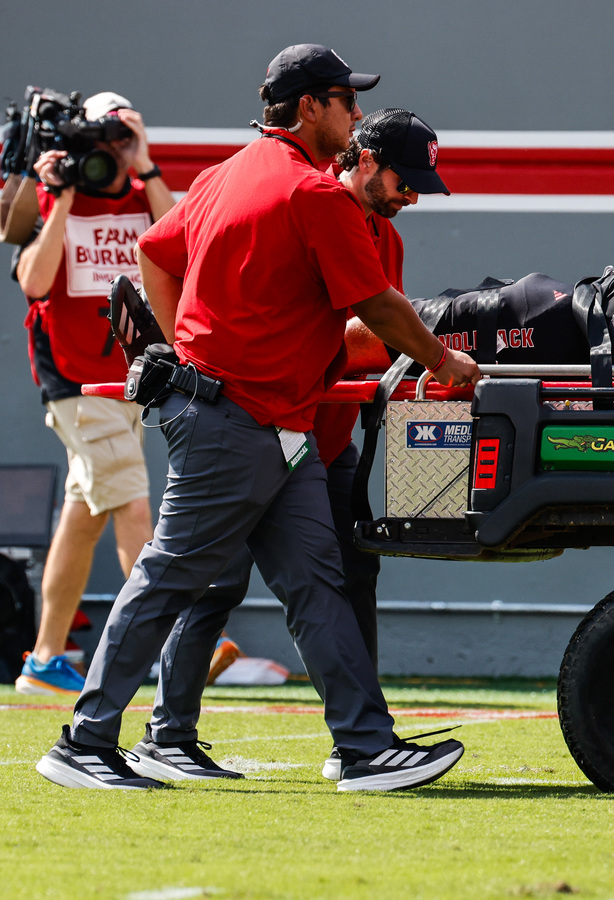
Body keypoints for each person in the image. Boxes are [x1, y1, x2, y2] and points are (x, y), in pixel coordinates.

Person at [35, 44, 478, 792]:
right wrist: (444, 363)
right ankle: (85, 739)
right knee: (171, 577)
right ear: (310, 107)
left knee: (315, 582)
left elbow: (153, 251)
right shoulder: (316, 194)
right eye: (346, 99)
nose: (357, 113)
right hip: (237, 418)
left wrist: (182, 347)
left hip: (270, 424)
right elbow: (376, 308)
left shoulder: (223, 175)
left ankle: (365, 749)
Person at [139, 108, 448, 782]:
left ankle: (363, 741)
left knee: (342, 581)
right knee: (210, 582)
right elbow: (357, 327)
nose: (413, 195)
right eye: (406, 178)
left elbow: (372, 324)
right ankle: (156, 734)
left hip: (318, 437)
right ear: (362, 157)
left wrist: (413, 335)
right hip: (249, 424)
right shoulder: (299, 200)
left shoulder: (378, 231)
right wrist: (193, 366)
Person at [12, 92, 171, 696]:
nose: (104, 154)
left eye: (116, 139)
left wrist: (145, 162)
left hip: (125, 380)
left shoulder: (141, 193)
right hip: (75, 383)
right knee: (133, 504)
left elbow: (183, 250)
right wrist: (65, 196)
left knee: (83, 518)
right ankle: (159, 648)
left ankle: (45, 659)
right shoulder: (59, 193)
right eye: (96, 144)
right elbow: (33, 281)